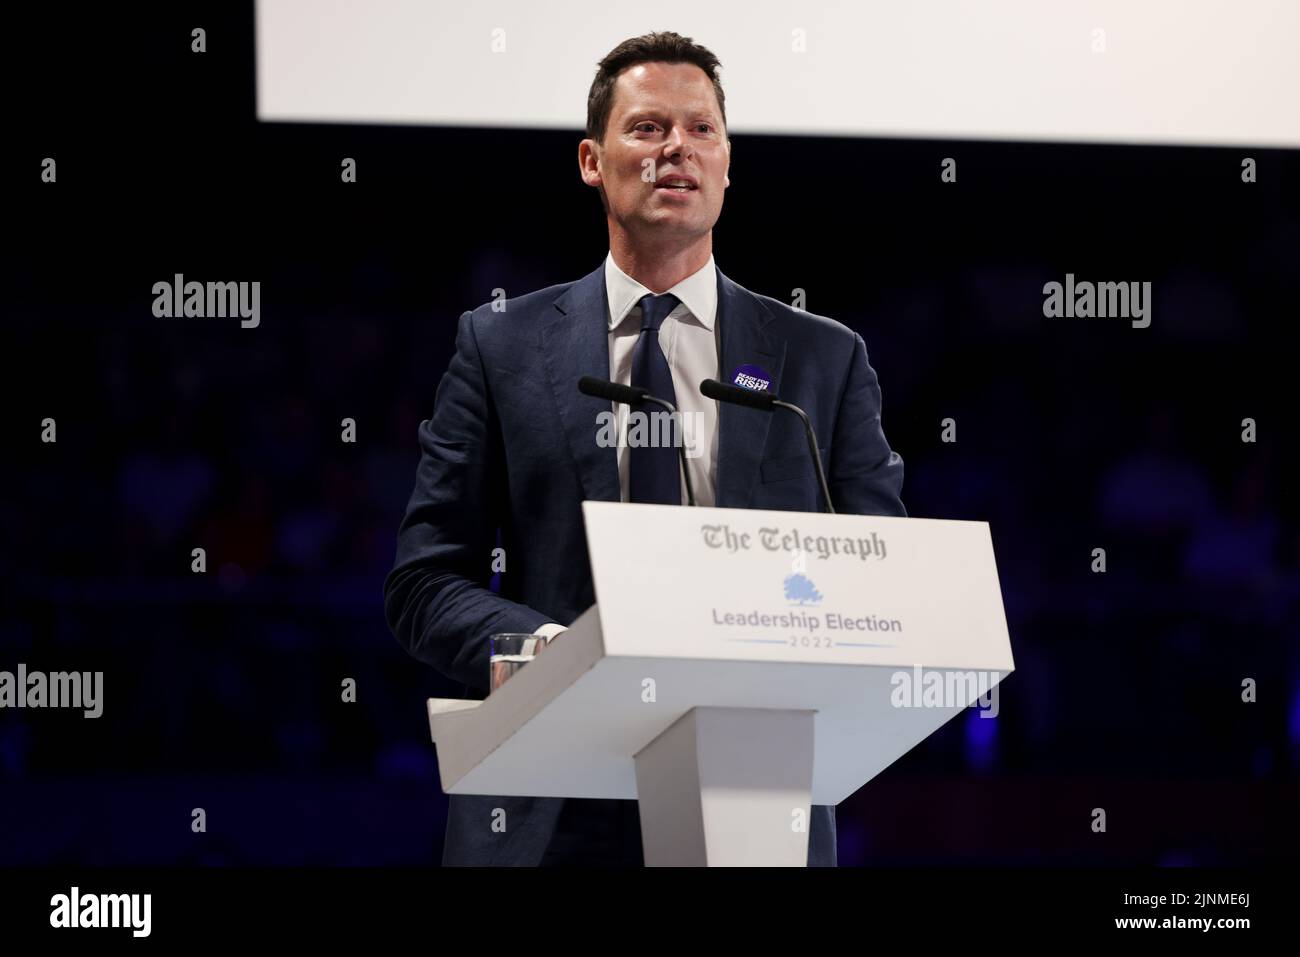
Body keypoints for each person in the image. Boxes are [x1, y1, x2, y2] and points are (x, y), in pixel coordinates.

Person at [384, 30, 905, 867]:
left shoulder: (823, 360)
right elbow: (423, 581)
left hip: (751, 798)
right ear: (592, 161)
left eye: (701, 130)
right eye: (648, 127)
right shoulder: (500, 346)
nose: (677, 150)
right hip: (552, 801)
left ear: (729, 162)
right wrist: (541, 648)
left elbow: (880, 573)